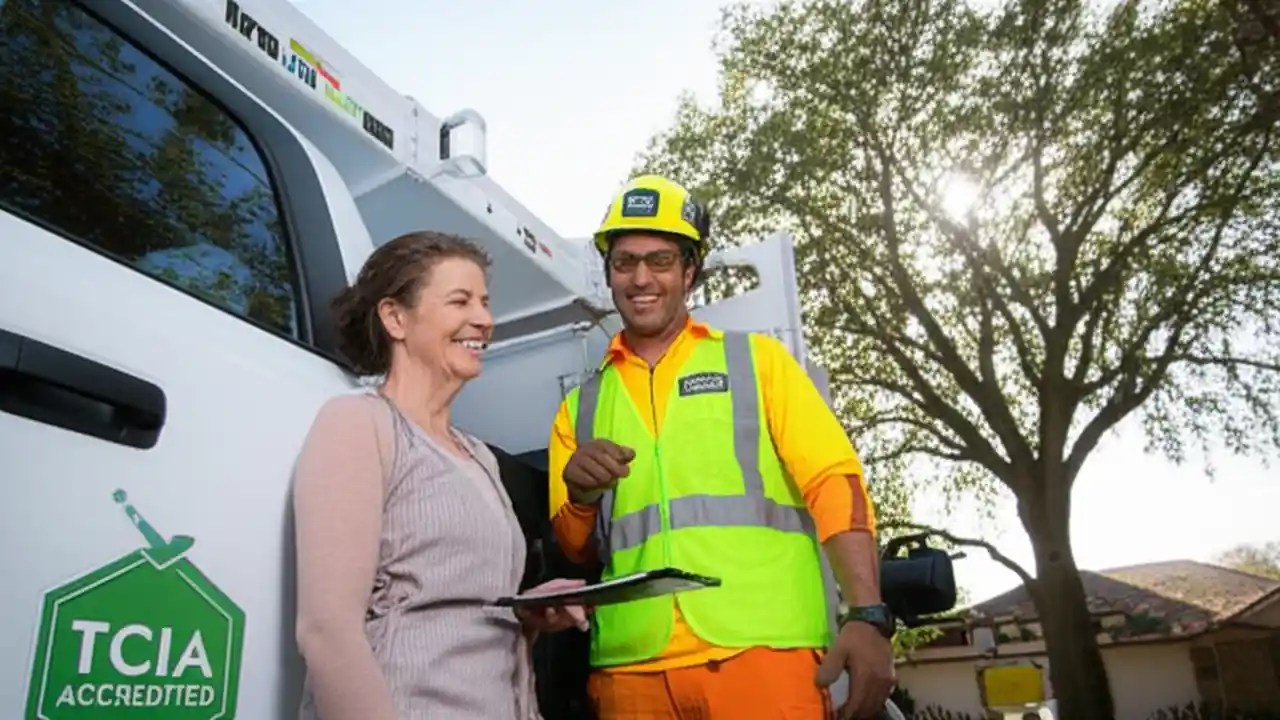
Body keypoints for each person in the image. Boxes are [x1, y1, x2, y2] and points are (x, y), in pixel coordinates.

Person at [546, 175, 897, 719]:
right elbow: (576, 550)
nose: (640, 278)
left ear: (690, 271)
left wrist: (868, 614)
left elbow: (834, 482)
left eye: (660, 260)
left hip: (761, 654)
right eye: (624, 262)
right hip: (629, 669)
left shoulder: (759, 363)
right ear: (609, 271)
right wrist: (581, 496)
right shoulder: (578, 407)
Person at [292, 230, 589, 720]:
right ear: (395, 318)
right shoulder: (357, 424)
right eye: (460, 301)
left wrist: (525, 610)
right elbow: (326, 630)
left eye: (485, 302)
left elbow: (454, 601)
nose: (484, 319)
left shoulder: (479, 456)